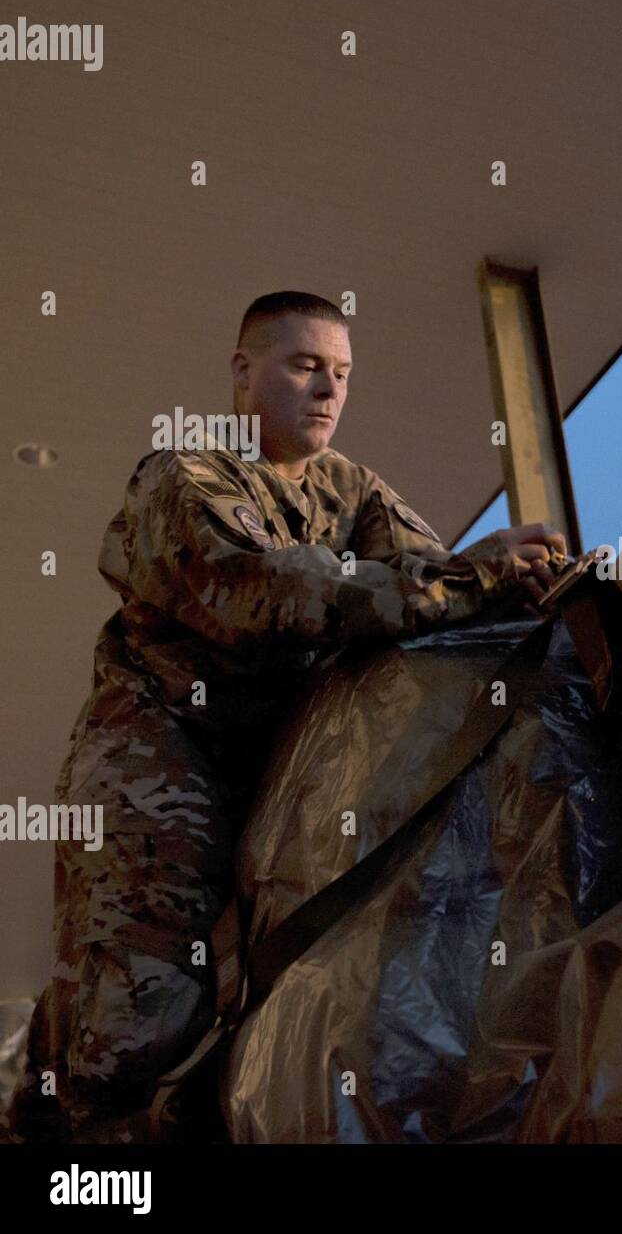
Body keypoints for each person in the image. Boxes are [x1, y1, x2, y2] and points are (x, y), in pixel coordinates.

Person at [7, 290, 567, 1142]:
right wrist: (468, 579)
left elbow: (432, 582)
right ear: (242, 373)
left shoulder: (350, 488)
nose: (329, 389)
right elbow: (266, 595)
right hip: (162, 767)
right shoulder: (187, 471)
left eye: (341, 372)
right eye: (305, 366)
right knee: (140, 1021)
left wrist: (528, 582)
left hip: (279, 773)